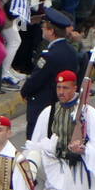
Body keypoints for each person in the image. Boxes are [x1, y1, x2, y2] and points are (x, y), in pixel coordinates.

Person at [21, 8, 79, 137]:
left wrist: (24, 92)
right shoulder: (71, 51)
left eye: (45, 27)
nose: (42, 29)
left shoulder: (50, 55)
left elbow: (36, 79)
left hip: (44, 104)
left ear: (51, 31)